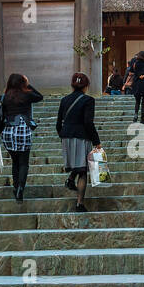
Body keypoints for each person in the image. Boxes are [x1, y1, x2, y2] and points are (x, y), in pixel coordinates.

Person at [57, 72, 101, 213]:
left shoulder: (64, 100)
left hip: (66, 136)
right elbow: (88, 122)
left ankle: (70, 179)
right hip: (81, 137)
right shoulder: (88, 100)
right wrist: (96, 141)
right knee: (83, 170)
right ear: (86, 86)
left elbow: (58, 123)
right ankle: (79, 204)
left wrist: (63, 136)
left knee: (78, 165)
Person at [0, 72, 43, 202]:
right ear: (22, 83)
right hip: (22, 129)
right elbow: (40, 96)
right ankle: (21, 189)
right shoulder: (26, 94)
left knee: (15, 161)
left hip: (8, 131)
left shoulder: (5, 97)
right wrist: (29, 85)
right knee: (24, 162)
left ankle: (15, 186)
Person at [128, 51, 144, 123]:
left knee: (137, 102)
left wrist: (137, 74)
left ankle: (136, 115)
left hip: (137, 84)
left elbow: (130, 72)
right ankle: (142, 119)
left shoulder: (135, 64)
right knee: (143, 103)